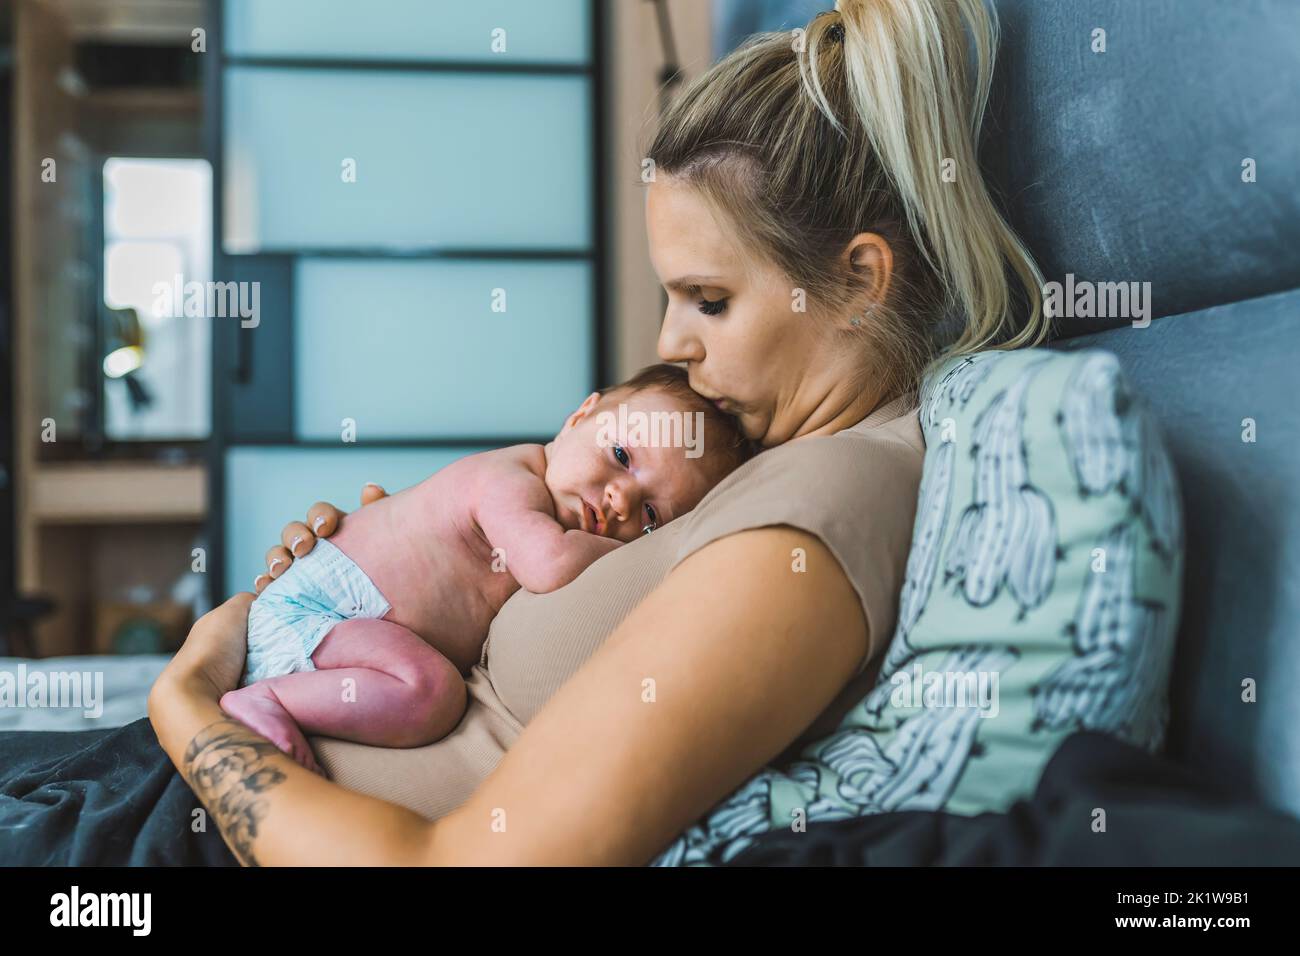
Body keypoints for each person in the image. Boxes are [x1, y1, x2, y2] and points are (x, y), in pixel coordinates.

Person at [147, 0, 1053, 866]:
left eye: (711, 300)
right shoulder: (748, 452)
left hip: (222, 824)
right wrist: (379, 570)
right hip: (210, 788)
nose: (668, 342)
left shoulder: (818, 514)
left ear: (857, 282)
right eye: (672, 296)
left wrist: (189, 707)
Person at [221, 365, 750, 771]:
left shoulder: (547, 508)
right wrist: (654, 547)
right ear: (579, 417)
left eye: (653, 515)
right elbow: (550, 564)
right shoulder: (511, 479)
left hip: (343, 629)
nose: (620, 499)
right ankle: (264, 700)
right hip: (317, 616)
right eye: (620, 454)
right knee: (431, 692)